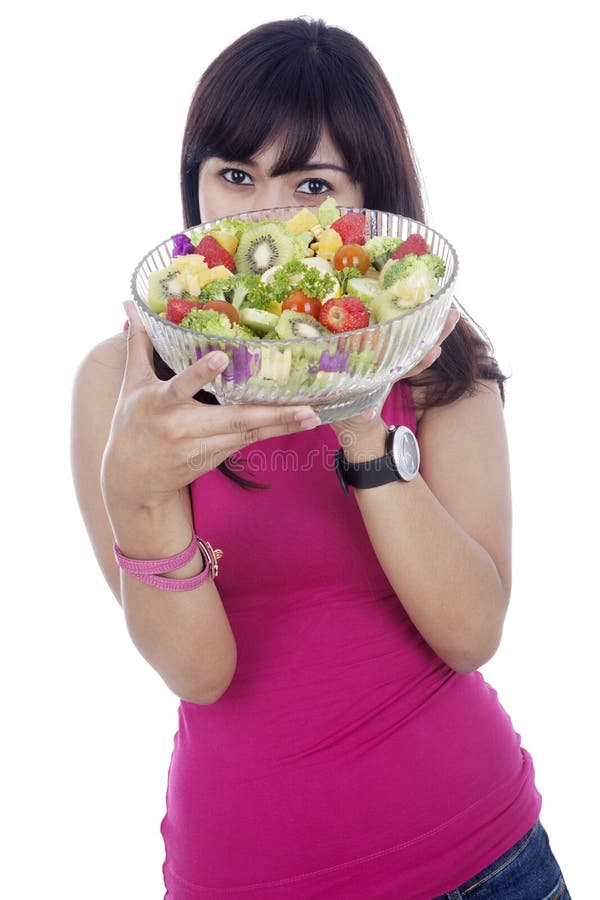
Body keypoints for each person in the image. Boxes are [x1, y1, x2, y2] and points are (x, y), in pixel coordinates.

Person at [70, 17, 571, 900]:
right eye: (233, 175)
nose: (264, 212)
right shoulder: (127, 386)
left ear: (368, 200)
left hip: (487, 864)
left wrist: (360, 416)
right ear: (195, 188)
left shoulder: (441, 361)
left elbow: (470, 634)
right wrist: (136, 494)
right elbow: (199, 673)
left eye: (310, 182)